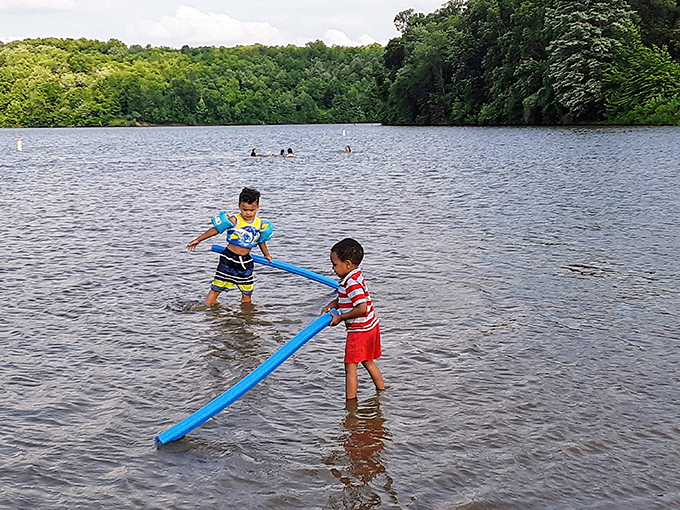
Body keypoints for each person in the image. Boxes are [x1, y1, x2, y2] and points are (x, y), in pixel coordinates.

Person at [322, 238, 385, 400]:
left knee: (350, 367)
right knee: (368, 361)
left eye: (335, 264)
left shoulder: (352, 283)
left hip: (360, 330)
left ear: (348, 264)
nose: (333, 268)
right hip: (371, 326)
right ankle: (382, 390)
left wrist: (341, 317)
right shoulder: (354, 276)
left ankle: (350, 404)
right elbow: (345, 298)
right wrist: (332, 304)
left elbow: (361, 308)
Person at [187, 187, 273, 305]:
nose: (248, 213)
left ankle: (247, 317)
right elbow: (216, 230)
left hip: (245, 261)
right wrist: (198, 240)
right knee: (217, 288)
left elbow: (261, 241)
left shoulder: (259, 223)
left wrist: (266, 254)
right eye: (244, 209)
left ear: (257, 207)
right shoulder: (234, 220)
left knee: (247, 292)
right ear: (239, 206)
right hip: (229, 258)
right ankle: (208, 308)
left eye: (251, 210)